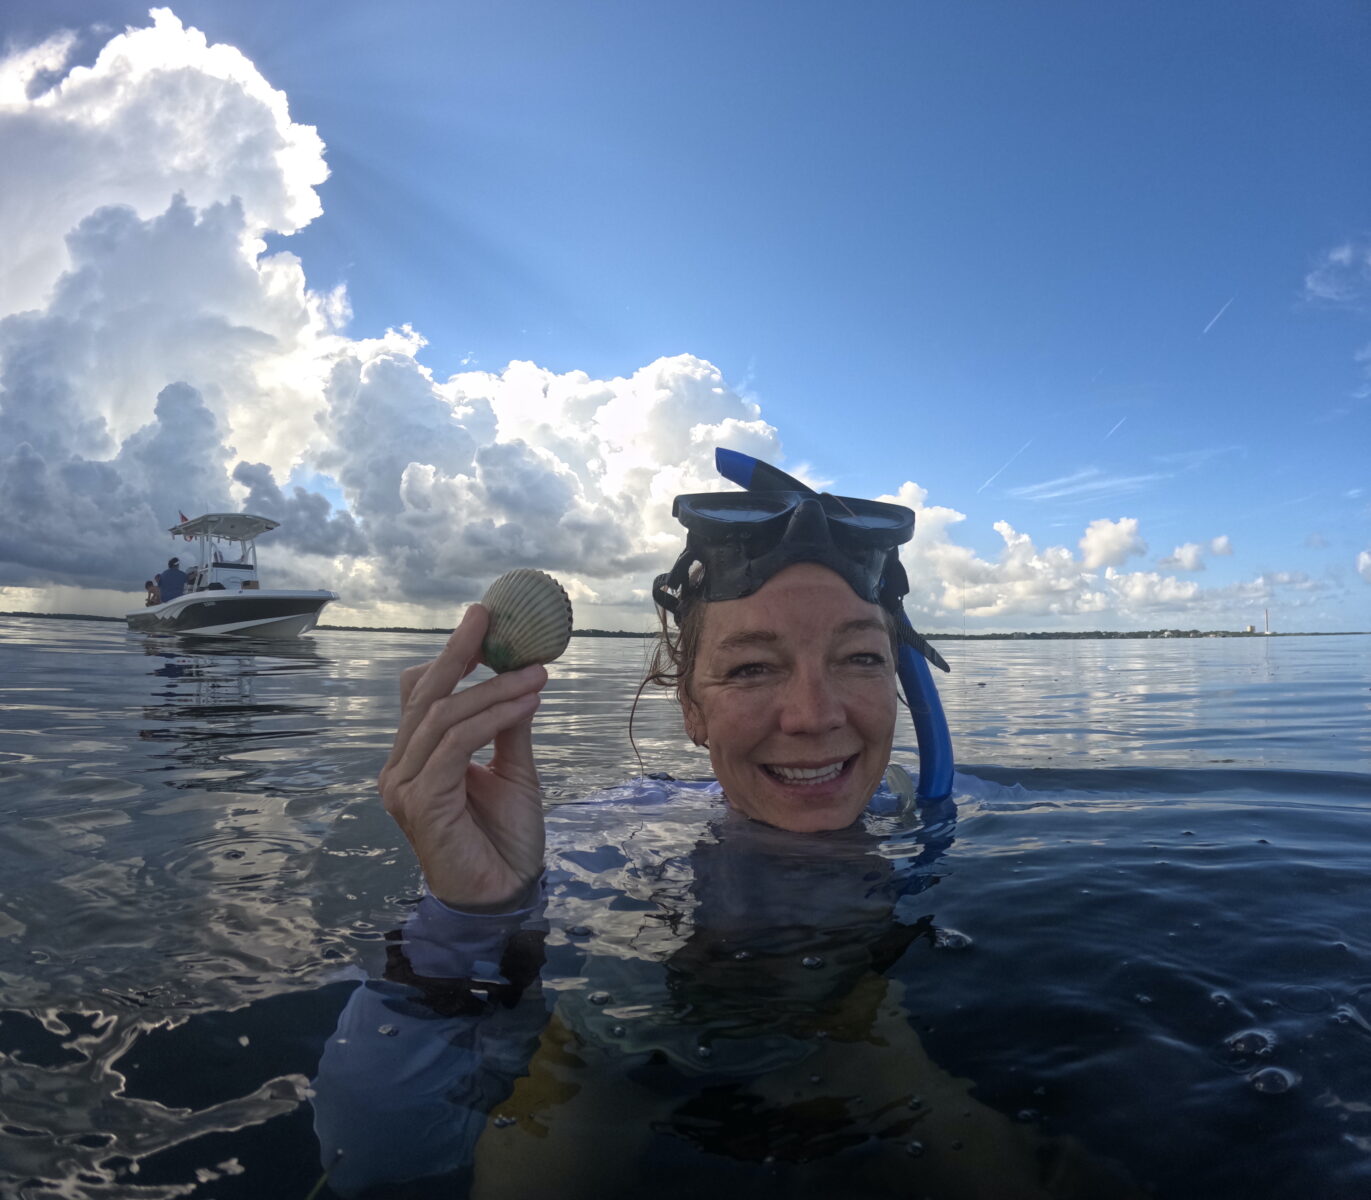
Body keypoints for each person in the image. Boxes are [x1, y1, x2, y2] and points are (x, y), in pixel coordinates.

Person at [312, 451, 1142, 1199]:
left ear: (899, 680)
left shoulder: (994, 818)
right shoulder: (586, 844)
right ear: (692, 709)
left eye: (860, 657)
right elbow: (378, 1163)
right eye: (750, 667)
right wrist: (468, 920)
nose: (813, 715)